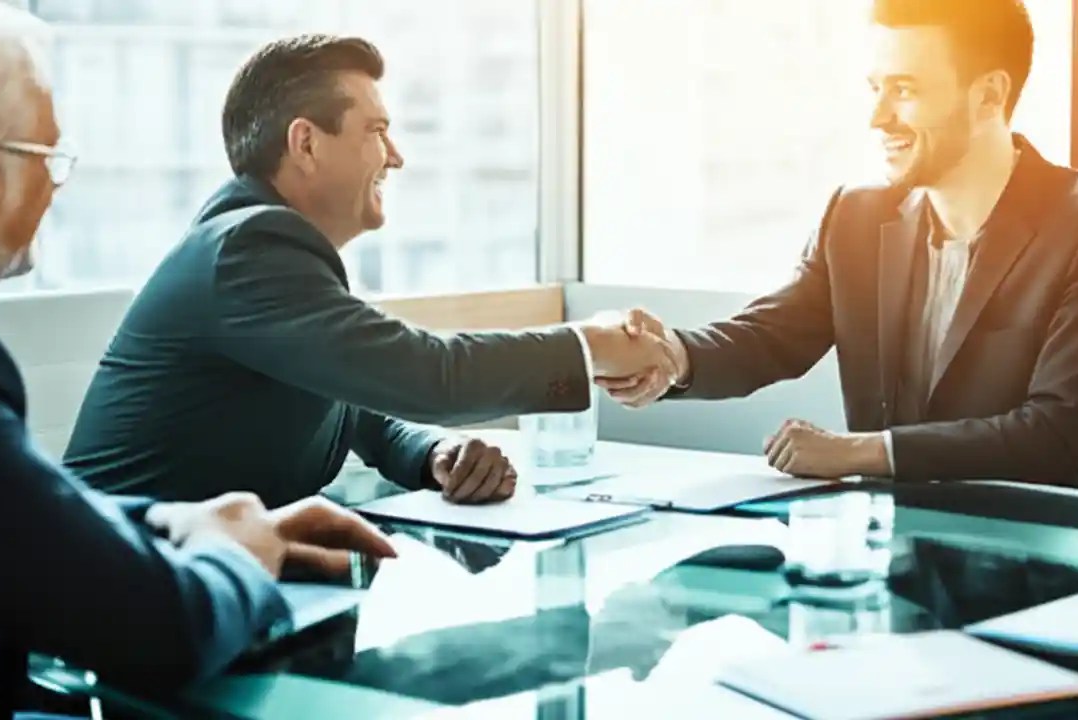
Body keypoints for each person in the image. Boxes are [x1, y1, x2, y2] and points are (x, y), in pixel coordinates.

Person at [0, 4, 401, 717]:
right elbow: (164, 628)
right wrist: (243, 554)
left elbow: (10, 520)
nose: (59, 185)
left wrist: (186, 524)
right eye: (49, 158)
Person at [63, 34, 676, 507]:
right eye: (377, 132)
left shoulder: (261, 249)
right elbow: (429, 374)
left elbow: (349, 402)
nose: (396, 156)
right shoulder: (251, 248)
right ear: (306, 144)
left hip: (196, 591)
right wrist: (589, 347)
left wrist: (435, 451)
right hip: (104, 609)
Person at [600, 0, 1078, 494]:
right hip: (892, 546)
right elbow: (771, 337)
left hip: (1049, 558)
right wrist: (676, 355)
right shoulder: (856, 216)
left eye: (905, 90)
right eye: (876, 88)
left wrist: (861, 452)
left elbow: (1057, 435)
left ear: (988, 95)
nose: (877, 117)